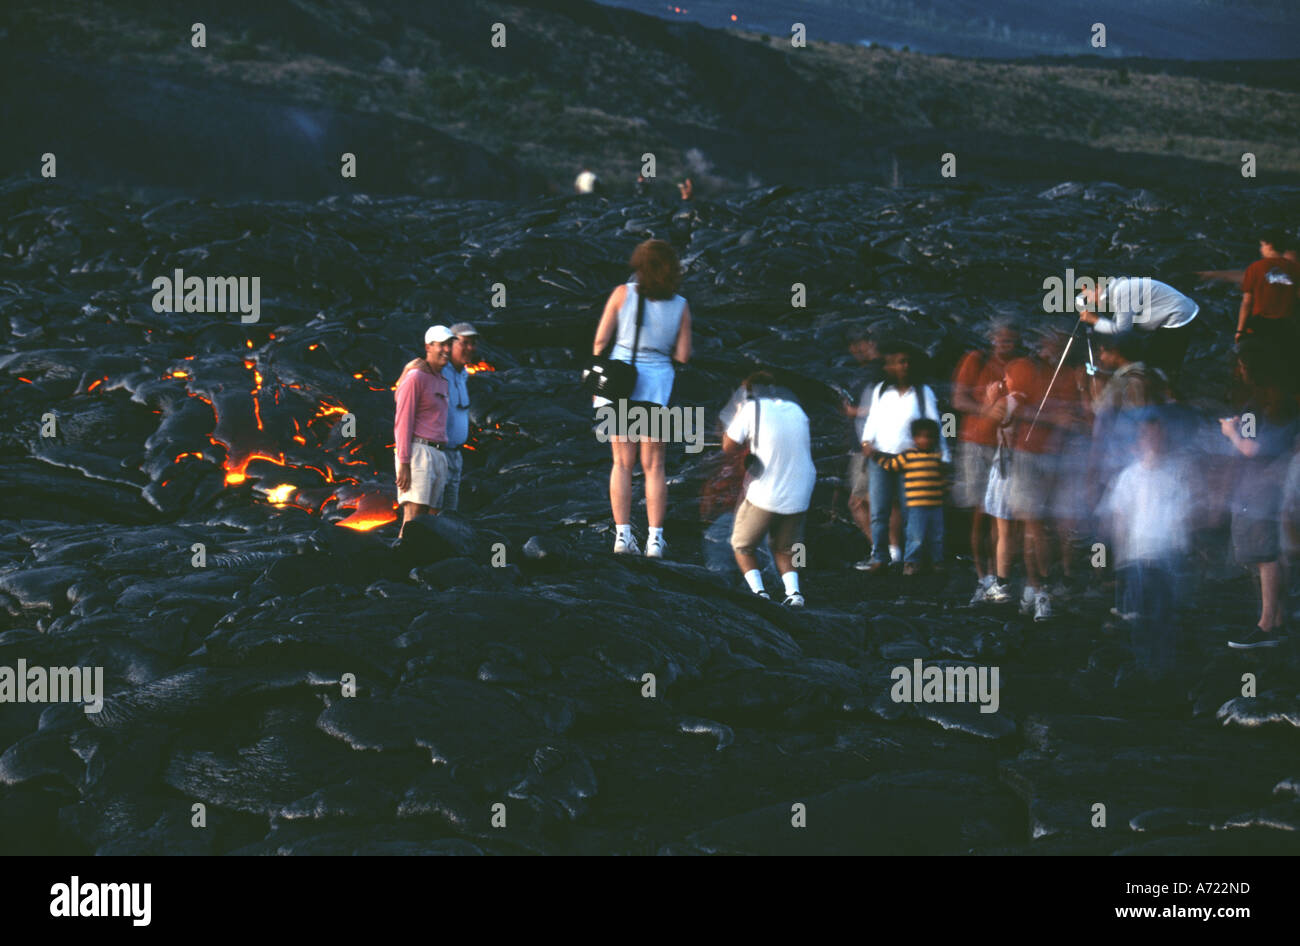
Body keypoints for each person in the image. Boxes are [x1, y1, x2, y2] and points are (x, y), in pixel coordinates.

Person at [592, 239, 693, 557]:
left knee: (621, 463)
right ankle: (654, 540)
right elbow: (684, 355)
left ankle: (622, 537)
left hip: (619, 386)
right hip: (656, 388)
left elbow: (600, 340)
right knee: (655, 467)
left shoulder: (623, 293)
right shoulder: (680, 305)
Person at [1097, 416, 1192, 676]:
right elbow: (1120, 519)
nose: (1153, 442)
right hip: (1137, 556)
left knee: (1164, 614)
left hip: (1166, 557)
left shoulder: (1175, 474)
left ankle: (1162, 669)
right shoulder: (1129, 476)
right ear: (1138, 442)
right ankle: (1142, 667)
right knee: (1138, 615)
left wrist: (1181, 548)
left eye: (1157, 436)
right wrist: (1119, 559)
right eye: (1147, 436)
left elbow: (1182, 515)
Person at [1222, 339, 1299, 648]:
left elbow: (1249, 448)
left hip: (1260, 485)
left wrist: (1230, 432)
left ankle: (1267, 625)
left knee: (1264, 554)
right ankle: (1276, 619)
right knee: (1272, 552)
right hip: (1280, 482)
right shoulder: (1285, 400)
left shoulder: (1256, 403)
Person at [722, 372, 816, 606]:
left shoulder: (750, 410)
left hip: (768, 490)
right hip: (802, 486)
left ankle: (758, 593)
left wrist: (737, 413)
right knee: (786, 546)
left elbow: (728, 447)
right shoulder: (796, 410)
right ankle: (794, 594)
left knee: (742, 545)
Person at [859, 342, 948, 573]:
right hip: (880, 457)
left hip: (912, 460)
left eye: (908, 361)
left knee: (911, 510)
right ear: (889, 366)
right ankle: (879, 557)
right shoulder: (881, 390)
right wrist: (866, 442)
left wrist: (943, 456)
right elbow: (873, 418)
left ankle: (912, 559)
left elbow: (936, 422)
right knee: (879, 510)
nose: (905, 366)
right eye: (900, 362)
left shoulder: (922, 392)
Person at [953, 318, 1020, 600]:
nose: (1005, 344)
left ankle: (999, 578)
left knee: (1001, 514)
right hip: (976, 443)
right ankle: (983, 578)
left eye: (1010, 339)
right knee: (980, 513)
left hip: (1006, 446)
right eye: (1000, 338)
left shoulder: (1020, 366)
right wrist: (988, 409)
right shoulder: (976, 360)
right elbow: (958, 401)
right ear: (991, 339)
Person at [396, 323, 481, 512]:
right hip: (431, 452)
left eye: (473, 343)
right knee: (421, 515)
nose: (470, 348)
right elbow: (403, 402)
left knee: (446, 517)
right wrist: (407, 369)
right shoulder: (434, 371)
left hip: (453, 456)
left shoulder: (463, 374)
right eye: (464, 343)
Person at [1076, 277, 1199, 382]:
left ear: (1097, 287)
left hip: (1178, 317)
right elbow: (1119, 322)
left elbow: (1122, 330)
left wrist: (1094, 320)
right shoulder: (1118, 289)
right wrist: (1096, 320)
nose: (1088, 300)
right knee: (1155, 363)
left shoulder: (1122, 291)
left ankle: (1164, 395)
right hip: (1178, 312)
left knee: (1160, 367)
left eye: (1087, 294)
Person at [394, 325, 453, 538]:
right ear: (428, 346)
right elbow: (403, 420)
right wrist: (404, 463)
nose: (446, 349)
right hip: (418, 451)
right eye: (441, 345)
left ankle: (420, 567)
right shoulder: (415, 377)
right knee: (414, 515)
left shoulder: (442, 381)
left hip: (439, 452)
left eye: (449, 344)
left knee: (432, 518)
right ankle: (400, 563)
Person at [875, 418, 948, 575]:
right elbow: (891, 465)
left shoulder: (936, 457)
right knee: (916, 536)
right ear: (914, 438)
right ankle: (911, 562)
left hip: (936, 505)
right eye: (920, 436)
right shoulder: (908, 456)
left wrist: (944, 488)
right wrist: (876, 456)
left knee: (937, 535)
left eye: (929, 436)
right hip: (916, 506)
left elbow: (942, 477)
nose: (924, 440)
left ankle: (937, 561)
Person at [840, 328, 885, 568]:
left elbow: (886, 405)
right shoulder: (872, 371)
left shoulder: (878, 371)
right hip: (863, 445)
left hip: (867, 446)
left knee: (859, 502)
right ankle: (884, 551)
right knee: (868, 500)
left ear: (869, 342)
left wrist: (854, 412)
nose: (854, 351)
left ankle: (881, 552)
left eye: (858, 345)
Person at [1237, 230, 1300, 349]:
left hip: (1260, 327)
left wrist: (1240, 331)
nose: (1261, 249)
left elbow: (1247, 302)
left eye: (1262, 245)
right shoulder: (1296, 268)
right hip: (1287, 327)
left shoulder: (1255, 268)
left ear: (1269, 246)